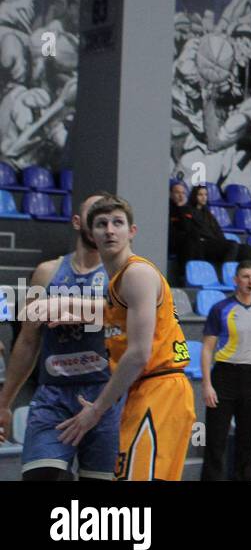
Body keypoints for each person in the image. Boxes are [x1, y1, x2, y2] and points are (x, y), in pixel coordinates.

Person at [57, 195, 197, 481]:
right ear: (91, 235)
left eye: (117, 223)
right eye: (101, 224)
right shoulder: (119, 281)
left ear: (131, 232)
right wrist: (65, 306)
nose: (109, 230)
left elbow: (138, 354)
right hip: (146, 389)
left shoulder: (137, 274)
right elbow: (112, 314)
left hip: (160, 388)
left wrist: (96, 410)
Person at [0, 193, 118, 480]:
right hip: (53, 395)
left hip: (105, 396)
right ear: (78, 222)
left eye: (108, 220)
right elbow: (28, 341)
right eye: (95, 217)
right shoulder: (47, 273)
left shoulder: (124, 275)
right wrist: (4, 403)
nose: (101, 226)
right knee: (40, 477)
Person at [200, 260, 251, 481]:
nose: (250, 281)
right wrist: (207, 384)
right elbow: (206, 349)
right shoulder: (221, 309)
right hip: (224, 376)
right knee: (216, 439)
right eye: (245, 277)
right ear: (236, 280)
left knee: (247, 439)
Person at [179, 185, 251, 267]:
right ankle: (226, 273)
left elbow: (218, 231)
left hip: (214, 244)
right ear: (194, 196)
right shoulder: (187, 210)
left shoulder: (208, 213)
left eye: (206, 194)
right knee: (232, 245)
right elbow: (188, 229)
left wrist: (223, 242)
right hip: (202, 245)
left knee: (246, 249)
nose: (204, 197)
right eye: (200, 195)